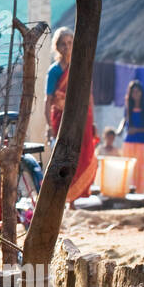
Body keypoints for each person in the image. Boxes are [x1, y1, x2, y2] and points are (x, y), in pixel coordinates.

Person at [44, 27, 98, 203]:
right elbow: (48, 100)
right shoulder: (54, 71)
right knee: (63, 156)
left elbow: (88, 95)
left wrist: (93, 121)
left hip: (82, 118)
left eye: (70, 43)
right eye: (63, 44)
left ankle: (75, 198)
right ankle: (62, 198)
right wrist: (49, 127)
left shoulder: (80, 67)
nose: (67, 47)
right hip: (61, 119)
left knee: (82, 154)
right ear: (57, 47)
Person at [118, 79, 144, 197]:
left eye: (138, 92)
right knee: (129, 170)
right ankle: (128, 194)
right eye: (133, 92)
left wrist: (137, 130)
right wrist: (119, 131)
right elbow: (124, 120)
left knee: (142, 170)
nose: (136, 94)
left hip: (142, 144)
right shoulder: (128, 108)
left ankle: (143, 194)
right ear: (130, 94)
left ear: (141, 93)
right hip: (128, 143)